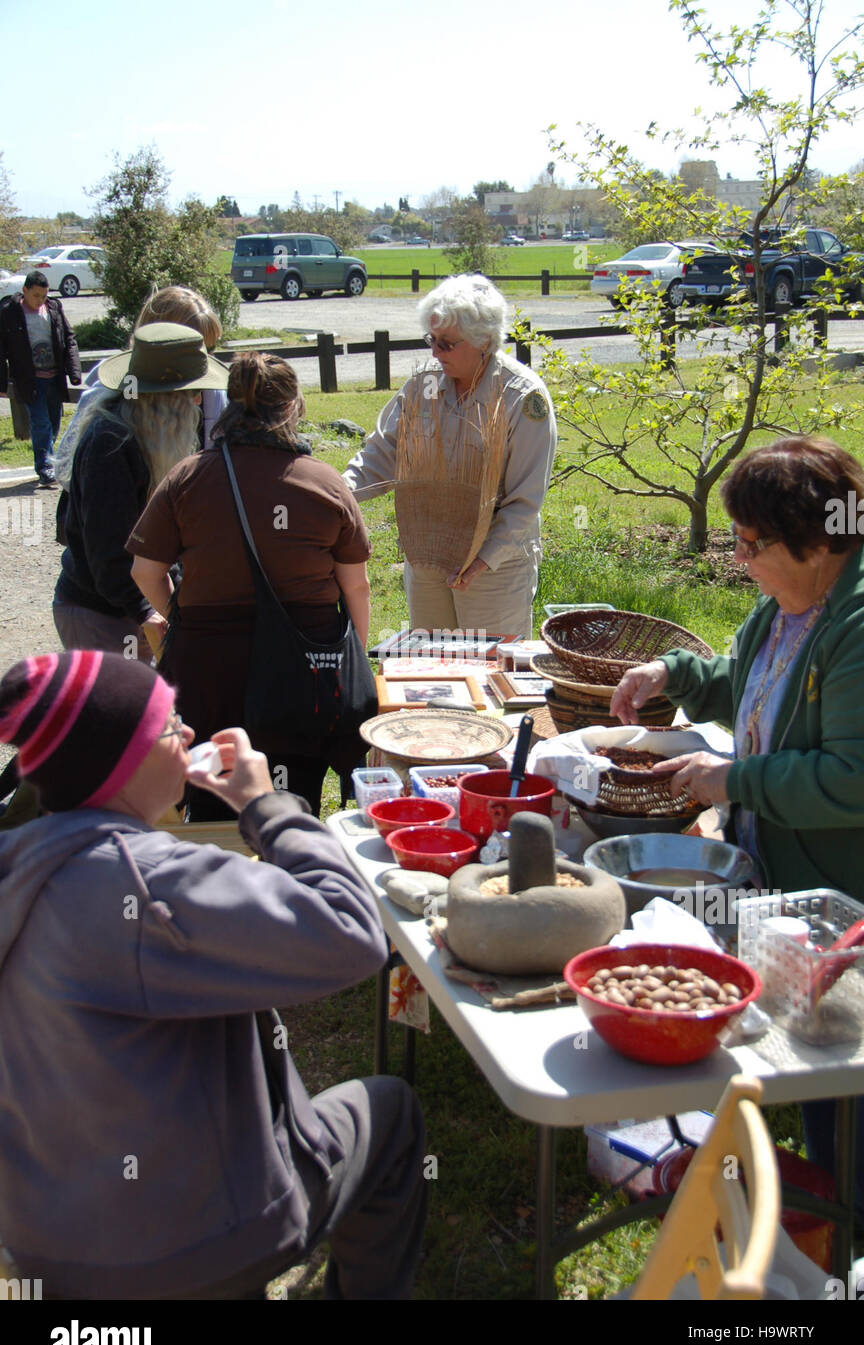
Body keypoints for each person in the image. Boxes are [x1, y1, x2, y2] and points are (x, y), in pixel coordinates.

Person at [0, 649, 427, 1300]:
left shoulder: (23, 862)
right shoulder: (147, 881)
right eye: (170, 726)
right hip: (184, 1250)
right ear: (122, 763)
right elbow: (352, 933)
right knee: (392, 1115)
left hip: (50, 1244)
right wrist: (267, 806)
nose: (190, 735)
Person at [609, 433, 864, 1217]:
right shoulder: (786, 608)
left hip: (842, 895)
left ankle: (842, 1221)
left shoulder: (855, 628)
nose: (740, 560)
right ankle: (810, 1201)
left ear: (818, 541)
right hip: (783, 878)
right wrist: (673, 674)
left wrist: (733, 778)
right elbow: (745, 686)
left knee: (840, 1071)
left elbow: (852, 781)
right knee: (802, 1046)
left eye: (754, 544)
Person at [128, 351, 373, 818]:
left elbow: (144, 570)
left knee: (210, 794)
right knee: (294, 795)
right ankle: (292, 859)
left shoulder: (187, 477)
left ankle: (217, 868)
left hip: (208, 671)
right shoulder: (325, 482)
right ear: (293, 407)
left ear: (231, 405)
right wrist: (350, 657)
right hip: (305, 674)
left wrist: (181, 615)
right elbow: (357, 588)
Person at [343, 274, 557, 637]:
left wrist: (482, 561)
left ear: (484, 342)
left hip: (495, 566)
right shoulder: (422, 384)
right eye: (432, 340)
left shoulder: (522, 397)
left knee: (490, 670)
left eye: (447, 344)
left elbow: (526, 499)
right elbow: (382, 453)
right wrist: (336, 494)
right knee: (432, 666)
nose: (434, 353)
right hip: (427, 554)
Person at [52, 323, 228, 661]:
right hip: (101, 613)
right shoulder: (110, 443)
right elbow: (109, 551)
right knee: (124, 712)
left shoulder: (149, 438)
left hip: (138, 605)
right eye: (191, 393)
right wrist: (146, 609)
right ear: (163, 399)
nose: (197, 402)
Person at [53, 284, 227, 493]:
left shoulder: (215, 396)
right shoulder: (121, 397)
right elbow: (68, 469)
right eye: (195, 350)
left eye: (210, 350)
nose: (204, 362)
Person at [0, 271, 81, 488]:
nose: (40, 300)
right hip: (29, 380)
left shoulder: (54, 308)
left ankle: (49, 460)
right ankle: (45, 468)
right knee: (40, 423)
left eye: (44, 295)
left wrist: (73, 371)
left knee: (53, 422)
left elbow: (68, 338)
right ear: (25, 291)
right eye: (36, 295)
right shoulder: (9, 313)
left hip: (54, 378)